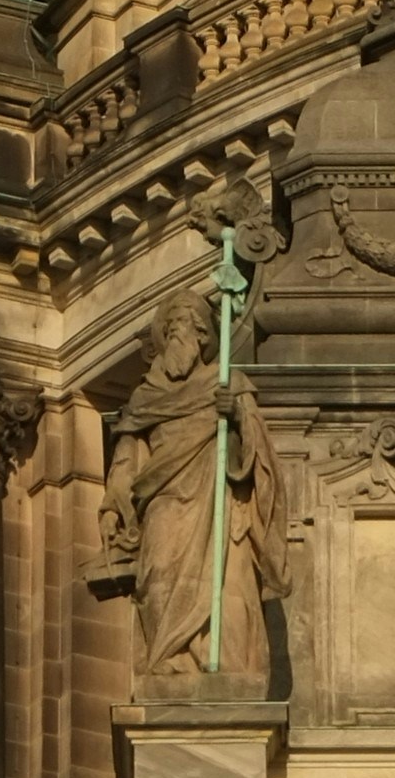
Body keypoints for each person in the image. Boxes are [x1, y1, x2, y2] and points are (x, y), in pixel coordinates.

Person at [99, 290, 282, 690]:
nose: (179, 335)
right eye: (172, 327)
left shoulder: (229, 384)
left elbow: (260, 453)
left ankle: (221, 667)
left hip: (216, 498)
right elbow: (129, 457)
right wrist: (114, 504)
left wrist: (234, 415)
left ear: (203, 336)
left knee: (227, 594)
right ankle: (168, 660)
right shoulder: (145, 398)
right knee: (158, 576)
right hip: (163, 503)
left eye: (188, 327)